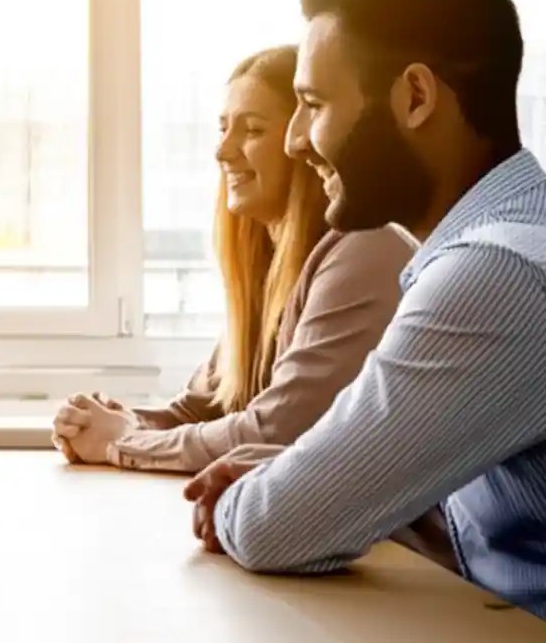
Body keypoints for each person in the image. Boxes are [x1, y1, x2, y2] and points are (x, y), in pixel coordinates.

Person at [185, 0, 546, 620]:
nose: (296, 141)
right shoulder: (511, 241)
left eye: (313, 104)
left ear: (415, 98)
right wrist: (297, 475)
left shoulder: (496, 273)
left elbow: (273, 530)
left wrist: (254, 497)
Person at [51, 46, 414, 473]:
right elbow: (201, 410)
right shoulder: (269, 265)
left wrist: (122, 441)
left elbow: (275, 430)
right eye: (223, 128)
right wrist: (109, 422)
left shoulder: (364, 249)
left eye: (252, 130)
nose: (223, 152)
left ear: (304, 142)